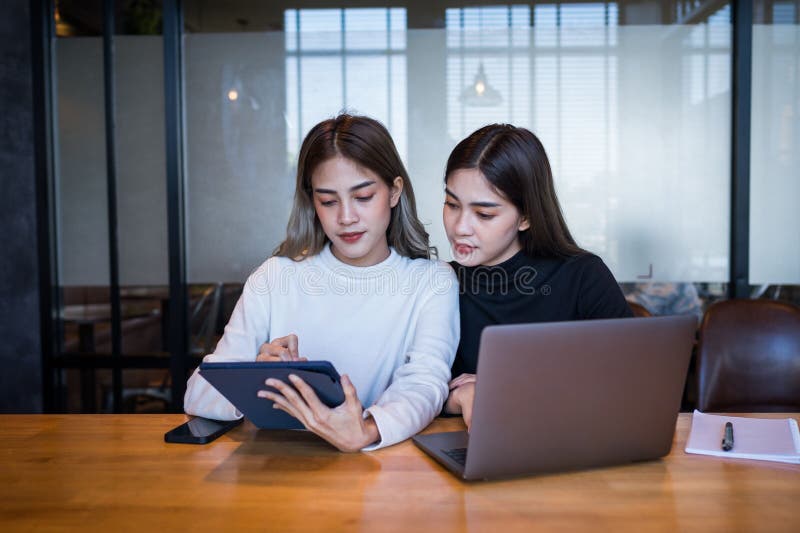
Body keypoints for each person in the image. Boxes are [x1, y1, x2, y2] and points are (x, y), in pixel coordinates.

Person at [184, 114, 459, 452]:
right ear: (312, 201)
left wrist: (366, 429)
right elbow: (197, 394)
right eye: (328, 201)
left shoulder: (431, 282)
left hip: (382, 473)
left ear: (394, 192)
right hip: (284, 472)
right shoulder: (275, 277)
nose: (346, 217)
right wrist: (253, 375)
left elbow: (425, 384)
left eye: (363, 197)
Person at [441, 124, 632, 428]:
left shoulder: (582, 276)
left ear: (526, 216)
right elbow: (410, 389)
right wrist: (457, 399)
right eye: (452, 205)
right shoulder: (441, 283)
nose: (460, 227)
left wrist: (507, 385)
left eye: (484, 214)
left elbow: (631, 383)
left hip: (573, 445)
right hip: (476, 447)